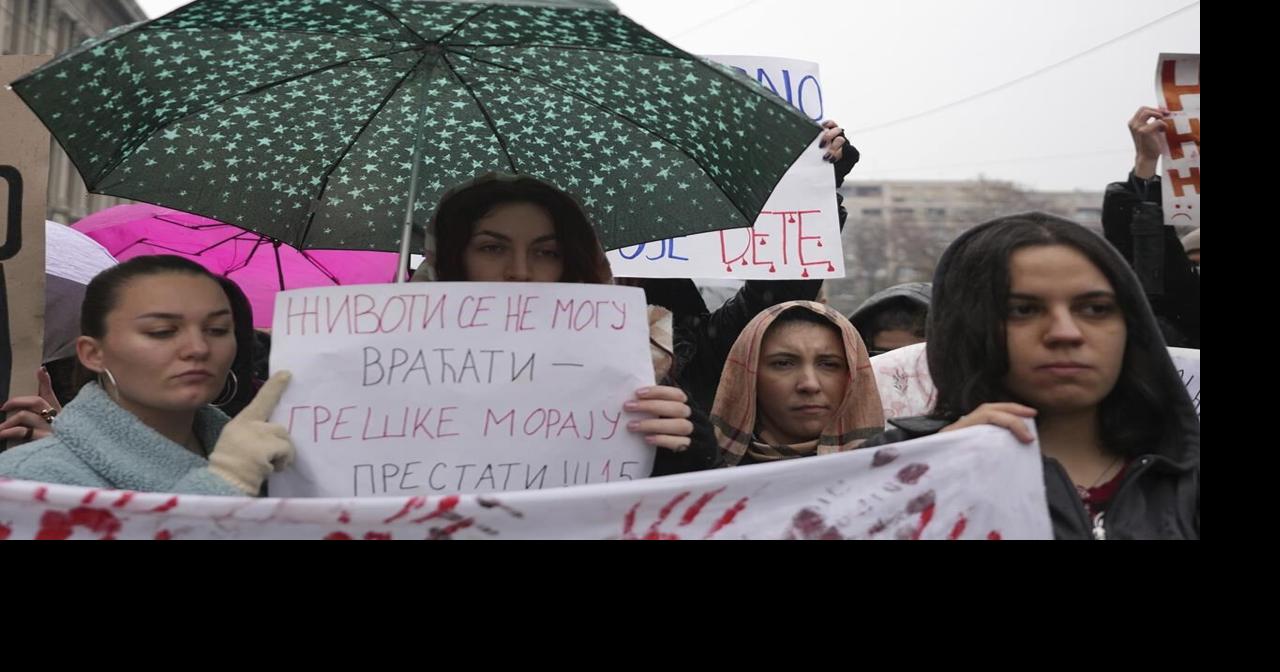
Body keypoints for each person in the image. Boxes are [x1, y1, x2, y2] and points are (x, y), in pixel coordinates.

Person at [862, 213, 1199, 540]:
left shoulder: (1187, 473)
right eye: (1024, 310)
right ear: (967, 330)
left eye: (1095, 309)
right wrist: (933, 479)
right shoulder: (885, 473)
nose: (1065, 333)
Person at [414, 173, 714, 475]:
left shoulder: (632, 370)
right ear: (451, 257)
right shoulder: (391, 369)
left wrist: (683, 449)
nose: (520, 271)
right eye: (492, 248)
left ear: (570, 262)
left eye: (547, 252)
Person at [0, 256, 295, 496]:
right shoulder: (25, 481)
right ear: (93, 353)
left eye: (217, 330)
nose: (198, 348)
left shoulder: (278, 465)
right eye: (162, 332)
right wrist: (224, 485)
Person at [711, 300, 884, 466]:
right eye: (783, 363)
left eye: (829, 364)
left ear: (852, 376)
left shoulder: (893, 471)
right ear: (749, 376)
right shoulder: (700, 467)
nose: (810, 384)